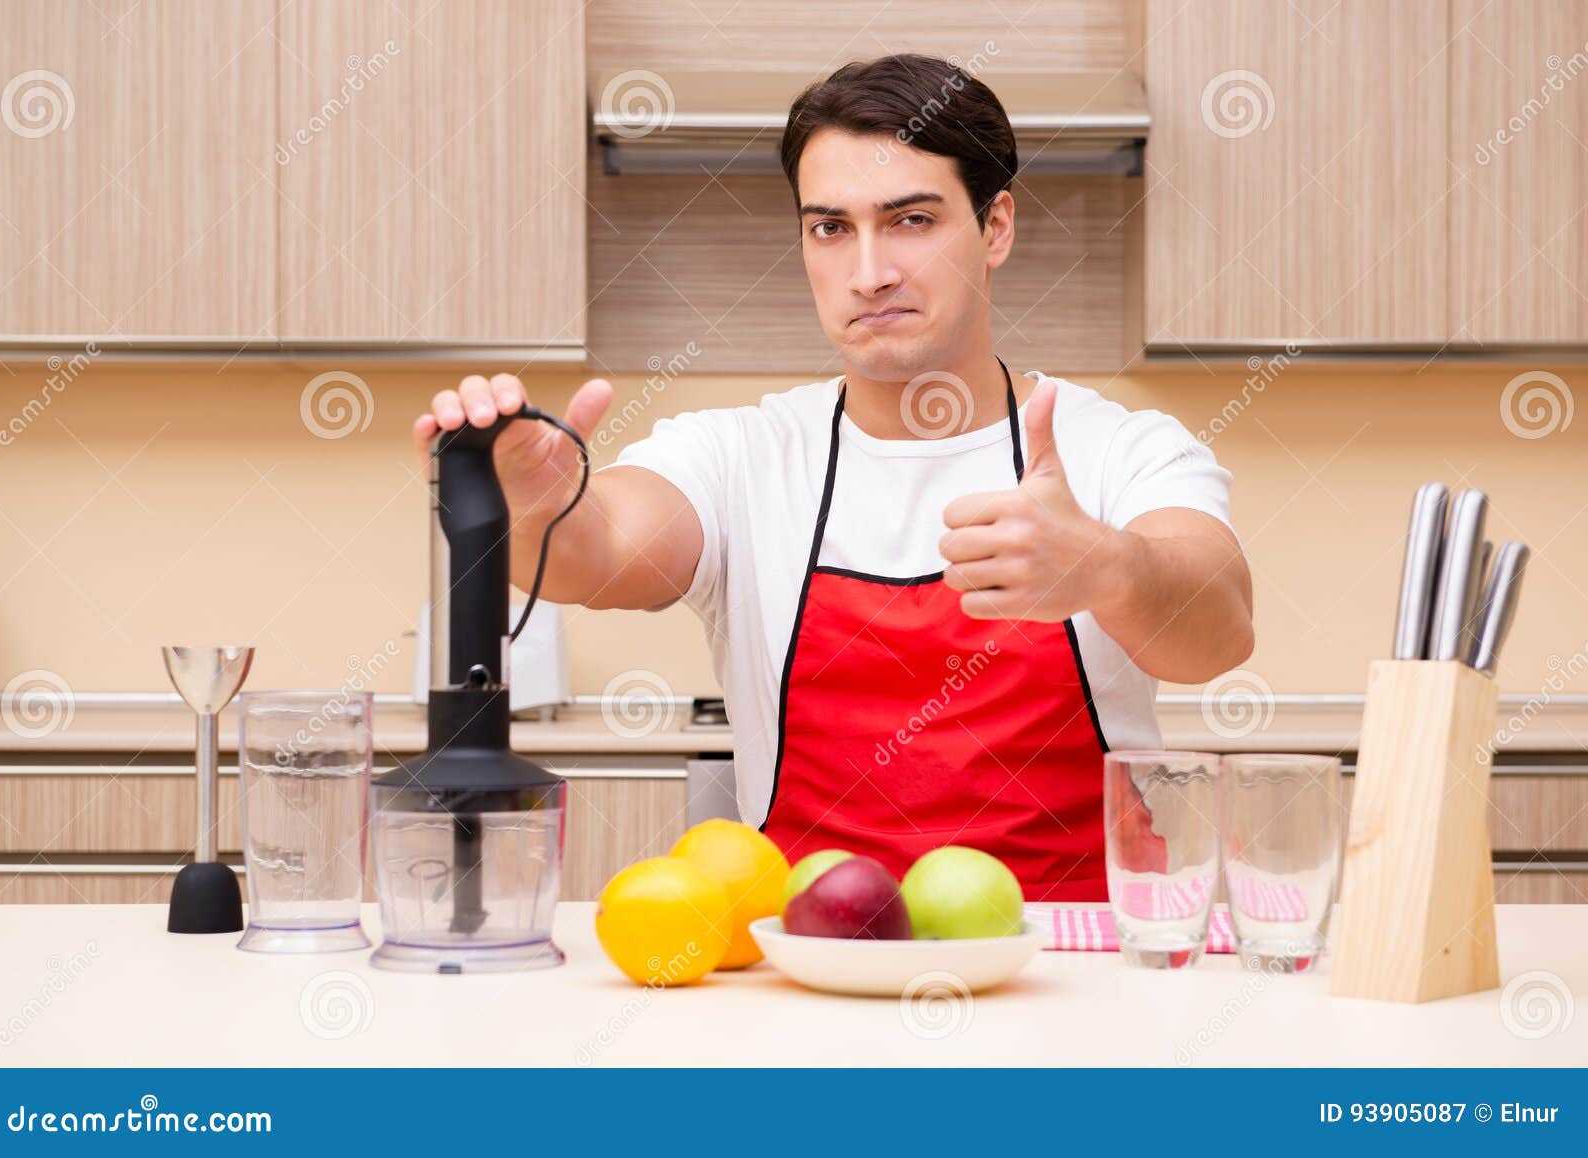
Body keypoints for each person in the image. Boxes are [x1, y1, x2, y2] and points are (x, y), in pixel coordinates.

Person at [413, 54, 1254, 901]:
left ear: (996, 226)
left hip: (1085, 971)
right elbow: (596, 553)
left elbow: (1219, 630)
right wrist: (526, 503)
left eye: (912, 220)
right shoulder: (741, 454)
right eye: (831, 228)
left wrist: (1106, 566)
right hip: (812, 969)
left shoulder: (1119, 451)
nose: (869, 272)